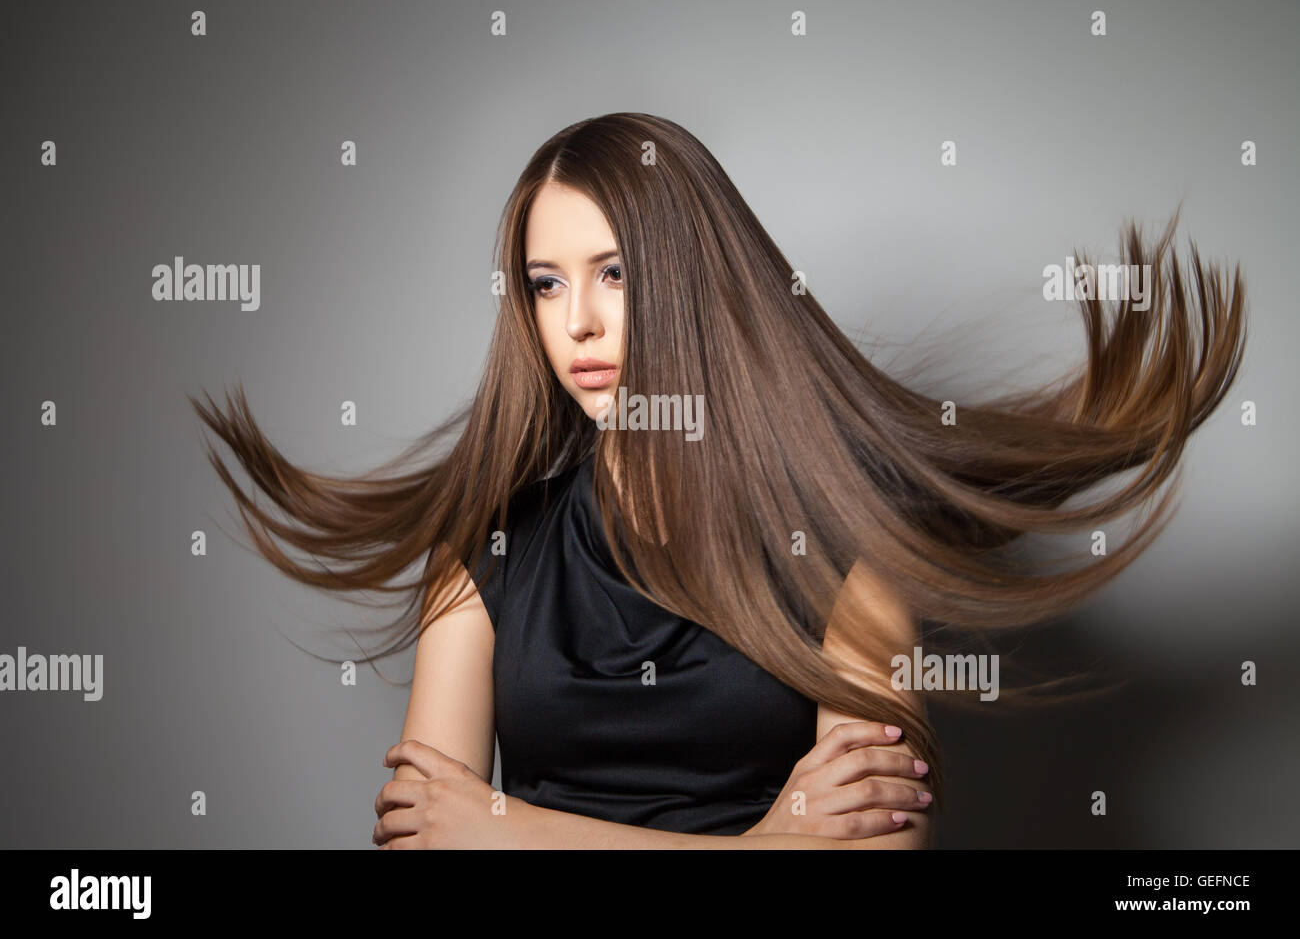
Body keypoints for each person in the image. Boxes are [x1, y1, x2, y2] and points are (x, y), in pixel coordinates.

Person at [190, 112, 1247, 848]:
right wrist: (778, 838)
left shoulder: (841, 547)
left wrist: (511, 830)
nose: (581, 323)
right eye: (546, 283)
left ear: (693, 279)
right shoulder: (481, 551)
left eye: (616, 273)